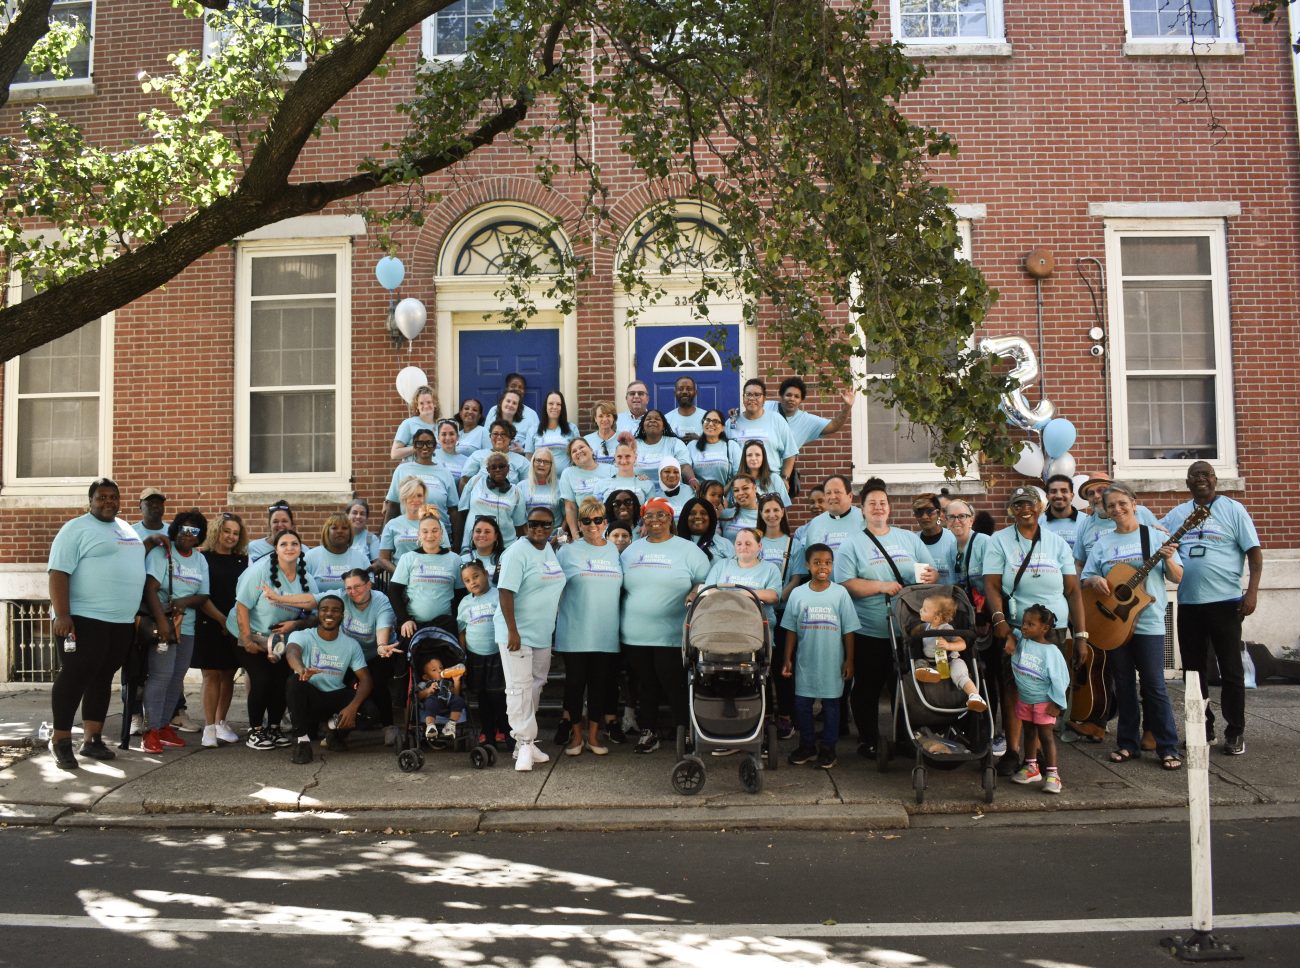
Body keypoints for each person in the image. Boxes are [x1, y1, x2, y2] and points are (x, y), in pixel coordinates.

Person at [984, 486, 1088, 777]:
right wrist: (999, 620)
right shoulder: (999, 541)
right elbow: (991, 585)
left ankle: (1042, 751)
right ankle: (1013, 750)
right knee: (1013, 689)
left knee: (1047, 689)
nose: (1024, 509)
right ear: (1011, 510)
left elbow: (1073, 591)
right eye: (1017, 505)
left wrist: (1080, 636)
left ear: (1041, 507)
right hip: (1016, 629)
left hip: (1052, 631)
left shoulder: (1057, 544)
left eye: (1029, 503)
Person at [1162, 461, 1263, 756]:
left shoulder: (1233, 510)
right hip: (1191, 603)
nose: (1201, 479)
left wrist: (1252, 593)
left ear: (1216, 479)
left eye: (1206, 474)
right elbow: (1155, 534)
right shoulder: (1178, 514)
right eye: (1195, 476)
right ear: (1187, 482)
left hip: (1226, 603)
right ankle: (1201, 729)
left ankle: (1235, 732)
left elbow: (1254, 555)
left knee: (1230, 670)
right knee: (1193, 672)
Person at [46, 479, 147, 769]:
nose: (108, 502)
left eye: (113, 497)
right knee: (75, 675)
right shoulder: (75, 529)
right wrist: (62, 614)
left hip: (120, 621)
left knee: (103, 677)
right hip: (82, 618)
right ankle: (61, 740)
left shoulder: (126, 529)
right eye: (101, 497)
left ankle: (92, 739)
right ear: (90, 500)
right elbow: (58, 573)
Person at [1082, 482, 1183, 770]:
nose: (1117, 509)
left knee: (1154, 686)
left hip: (1148, 623)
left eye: (1122, 503)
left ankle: (1167, 746)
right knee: (1123, 685)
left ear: (1134, 503)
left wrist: (1169, 561)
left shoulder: (1153, 538)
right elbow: (1086, 577)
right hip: (1113, 623)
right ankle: (1127, 743)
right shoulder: (1103, 542)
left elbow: (1177, 577)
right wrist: (1094, 581)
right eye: (1111, 505)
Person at [835, 477, 938, 757]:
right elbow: (845, 583)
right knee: (867, 687)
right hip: (869, 629)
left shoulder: (907, 538)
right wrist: (880, 586)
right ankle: (868, 739)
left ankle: (904, 737)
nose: (878, 508)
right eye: (872, 504)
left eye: (882, 503)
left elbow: (930, 571)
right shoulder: (851, 545)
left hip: (907, 628)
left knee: (902, 686)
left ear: (889, 508)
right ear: (863, 509)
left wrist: (931, 575)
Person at [620, 496, 710, 754]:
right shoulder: (631, 551)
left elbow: (704, 581)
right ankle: (649, 732)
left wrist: (694, 591)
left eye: (662, 515)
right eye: (650, 515)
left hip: (672, 635)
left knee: (675, 685)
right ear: (643, 520)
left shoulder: (688, 550)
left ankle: (686, 731)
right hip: (635, 635)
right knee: (646, 685)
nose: (655, 520)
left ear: (671, 519)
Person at [227, 528, 320, 750]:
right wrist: (247, 638)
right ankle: (255, 730)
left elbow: (314, 609)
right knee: (261, 679)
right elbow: (242, 606)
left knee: (281, 681)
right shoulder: (259, 571)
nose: (289, 548)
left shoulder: (305, 576)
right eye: (284, 544)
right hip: (248, 632)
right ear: (276, 549)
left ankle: (274, 727)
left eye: (294, 544)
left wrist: (296, 624)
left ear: (300, 549)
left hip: (279, 639)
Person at [496, 505, 568, 771]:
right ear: (526, 526)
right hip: (517, 633)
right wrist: (512, 630)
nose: (539, 529)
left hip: (542, 633)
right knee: (518, 688)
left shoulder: (548, 549)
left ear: (552, 527)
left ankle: (525, 743)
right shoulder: (517, 552)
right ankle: (524, 742)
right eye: (534, 524)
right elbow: (505, 592)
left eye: (545, 525)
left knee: (536, 685)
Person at [555, 496, 624, 755]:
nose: (593, 525)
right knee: (574, 686)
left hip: (605, 633)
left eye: (598, 520)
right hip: (574, 632)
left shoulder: (613, 551)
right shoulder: (567, 551)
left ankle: (594, 737)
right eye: (586, 520)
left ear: (605, 522)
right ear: (579, 524)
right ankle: (575, 737)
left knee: (599, 686)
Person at [140, 511, 212, 754]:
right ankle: (149, 731)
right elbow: (150, 589)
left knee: (176, 677)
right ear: (175, 529)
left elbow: (203, 595)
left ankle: (163, 727)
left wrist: (185, 601)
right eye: (183, 528)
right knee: (161, 676)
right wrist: (162, 623)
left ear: (200, 535)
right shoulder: (163, 553)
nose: (187, 534)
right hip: (163, 623)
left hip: (187, 626)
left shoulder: (200, 559)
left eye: (194, 531)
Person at [781, 543, 859, 769]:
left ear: (832, 565)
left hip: (832, 663)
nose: (822, 567)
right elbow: (791, 629)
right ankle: (807, 745)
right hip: (806, 662)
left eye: (827, 562)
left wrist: (850, 660)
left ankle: (828, 748)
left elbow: (849, 630)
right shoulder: (798, 593)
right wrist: (787, 658)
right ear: (807, 565)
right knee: (802, 706)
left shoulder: (840, 593)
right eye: (817, 563)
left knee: (832, 707)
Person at [284, 592, 372, 763]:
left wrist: (352, 707)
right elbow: (292, 652)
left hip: (335, 696)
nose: (329, 614)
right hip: (311, 698)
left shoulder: (351, 644)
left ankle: (333, 732)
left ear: (342, 615)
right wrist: (301, 669)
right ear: (318, 613)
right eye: (324, 609)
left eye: (335, 610)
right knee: (295, 682)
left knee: (370, 713)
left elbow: (366, 679)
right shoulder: (303, 635)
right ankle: (302, 742)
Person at [194, 512, 248, 748]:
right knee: (211, 674)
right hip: (209, 622)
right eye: (227, 531)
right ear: (217, 531)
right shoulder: (202, 558)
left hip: (234, 625)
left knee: (228, 674)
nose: (231, 536)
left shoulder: (243, 561)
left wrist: (234, 623)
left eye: (236, 533)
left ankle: (221, 723)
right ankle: (208, 727)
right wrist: (222, 620)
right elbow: (201, 594)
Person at [1005, 604, 1069, 793]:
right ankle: (1031, 768)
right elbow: (1011, 632)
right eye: (1024, 623)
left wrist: (1057, 703)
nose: (1025, 627)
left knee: (1046, 736)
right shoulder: (1022, 639)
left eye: (1031, 624)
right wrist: (1010, 639)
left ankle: (1053, 775)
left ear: (1044, 628)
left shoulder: (1052, 652)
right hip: (1025, 699)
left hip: (1045, 701)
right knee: (1029, 732)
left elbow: (1061, 679)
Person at [339, 568, 402, 746]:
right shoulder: (342, 596)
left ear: (368, 584)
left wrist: (382, 646)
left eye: (357, 586)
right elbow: (312, 600)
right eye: (349, 588)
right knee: (340, 681)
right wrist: (278, 598)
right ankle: (339, 727)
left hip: (378, 653)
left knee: (377, 682)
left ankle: (388, 726)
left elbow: (383, 625)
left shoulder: (380, 599)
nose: (352, 591)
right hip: (351, 654)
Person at [766, 378, 855, 495]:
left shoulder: (806, 420)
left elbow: (834, 425)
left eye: (797, 396)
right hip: (756, 470)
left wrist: (847, 407)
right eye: (788, 395)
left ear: (801, 400)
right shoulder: (766, 407)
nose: (792, 399)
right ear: (781, 396)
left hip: (780, 478)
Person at [390, 512, 463, 641]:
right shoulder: (408, 558)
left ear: (441, 534)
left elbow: (460, 595)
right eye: (425, 531)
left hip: (445, 625)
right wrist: (404, 620)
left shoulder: (455, 560)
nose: (430, 535)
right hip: (413, 625)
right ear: (419, 535)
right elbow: (394, 592)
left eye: (435, 531)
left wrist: (456, 621)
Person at [457, 559, 506, 748]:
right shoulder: (465, 603)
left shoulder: (498, 595)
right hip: (475, 655)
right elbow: (462, 630)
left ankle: (504, 729)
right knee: (483, 696)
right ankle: (487, 732)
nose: (473, 582)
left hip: (496, 653)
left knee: (498, 695)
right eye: (467, 580)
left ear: (486, 574)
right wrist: (463, 654)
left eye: (476, 576)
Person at [909, 593, 987, 712]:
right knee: (919, 663)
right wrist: (911, 634)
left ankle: (974, 696)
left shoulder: (947, 629)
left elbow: (962, 644)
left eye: (924, 610)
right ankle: (930, 673)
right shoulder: (926, 627)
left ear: (936, 618)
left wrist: (948, 645)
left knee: (960, 673)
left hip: (950, 661)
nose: (920, 610)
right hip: (930, 663)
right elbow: (915, 631)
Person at [383, 428, 460, 543]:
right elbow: (393, 506)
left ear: (434, 446)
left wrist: (457, 544)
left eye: (429, 443)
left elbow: (453, 510)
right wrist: (385, 537)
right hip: (407, 536)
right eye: (420, 443)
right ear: (414, 446)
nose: (425, 447)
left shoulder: (445, 472)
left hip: (438, 536)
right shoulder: (402, 470)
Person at [1073, 471, 1161, 569]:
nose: (1096, 496)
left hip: (1144, 579)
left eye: (1101, 490)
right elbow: (1079, 564)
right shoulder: (1085, 524)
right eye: (1091, 493)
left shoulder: (1140, 512)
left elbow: (1161, 544)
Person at [701, 527, 783, 630]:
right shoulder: (721, 565)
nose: (743, 547)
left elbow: (773, 596)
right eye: (739, 544)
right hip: (721, 625)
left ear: (759, 546)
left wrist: (736, 595)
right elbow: (708, 591)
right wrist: (748, 595)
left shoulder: (770, 568)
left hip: (757, 629)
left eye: (748, 544)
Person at [726, 378, 798, 485]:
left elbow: (790, 453)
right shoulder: (732, 422)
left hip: (770, 480)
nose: (752, 398)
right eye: (748, 394)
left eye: (757, 395)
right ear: (743, 397)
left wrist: (785, 478)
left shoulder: (776, 420)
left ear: (764, 399)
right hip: (740, 483)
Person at [458, 452, 527, 549]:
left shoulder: (516, 492)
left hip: (505, 546)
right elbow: (462, 512)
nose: (497, 470)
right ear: (487, 470)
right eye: (493, 467)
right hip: (475, 543)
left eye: (501, 466)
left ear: (508, 468)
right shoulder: (475, 481)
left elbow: (519, 525)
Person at [796, 475, 863, 560]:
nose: (832, 497)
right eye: (828, 493)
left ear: (850, 496)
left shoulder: (864, 518)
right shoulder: (815, 524)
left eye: (837, 492)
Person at [560, 437, 615, 537]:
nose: (578, 451)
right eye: (574, 451)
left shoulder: (611, 470)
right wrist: (575, 534)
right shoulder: (568, 474)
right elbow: (570, 508)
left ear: (591, 449)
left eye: (581, 447)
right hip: (586, 527)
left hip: (610, 525)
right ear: (572, 458)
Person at [305, 513, 372, 592]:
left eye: (344, 528)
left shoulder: (361, 558)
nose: (340, 531)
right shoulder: (310, 556)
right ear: (327, 532)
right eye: (334, 528)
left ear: (350, 533)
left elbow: (368, 590)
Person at [378, 477, 430, 576]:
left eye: (419, 495)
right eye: (411, 495)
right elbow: (383, 559)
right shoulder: (392, 525)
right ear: (404, 498)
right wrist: (401, 575)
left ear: (424, 498)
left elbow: (446, 553)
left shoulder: (435, 523)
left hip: (429, 579)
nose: (416, 499)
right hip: (401, 582)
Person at [460, 419, 533, 485]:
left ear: (510, 438)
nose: (499, 437)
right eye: (495, 434)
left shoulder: (522, 461)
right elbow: (465, 481)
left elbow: (527, 486)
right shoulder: (477, 455)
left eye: (503, 434)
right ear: (490, 436)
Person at [633, 409, 695, 486]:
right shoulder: (633, 444)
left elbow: (684, 466)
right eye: (648, 419)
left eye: (657, 419)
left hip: (670, 492)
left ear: (663, 426)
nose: (652, 421)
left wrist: (692, 480)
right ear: (642, 425)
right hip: (640, 491)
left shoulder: (675, 443)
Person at [417, 654, 468, 742]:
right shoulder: (424, 684)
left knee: (459, 700)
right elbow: (418, 696)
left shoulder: (448, 682)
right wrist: (428, 691)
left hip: (448, 703)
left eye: (441, 667)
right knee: (430, 702)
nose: (440, 671)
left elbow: (455, 694)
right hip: (434, 703)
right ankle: (430, 726)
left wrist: (456, 681)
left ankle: (451, 725)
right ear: (426, 676)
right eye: (434, 670)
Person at [532, 391, 581, 474]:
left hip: (565, 480)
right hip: (540, 481)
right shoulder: (533, 430)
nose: (555, 407)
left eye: (558, 404)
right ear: (545, 406)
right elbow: (529, 458)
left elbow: (578, 455)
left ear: (562, 407)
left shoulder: (572, 428)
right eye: (551, 403)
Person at [912, 493, 956, 585]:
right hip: (922, 597)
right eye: (919, 512)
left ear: (939, 513)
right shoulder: (912, 542)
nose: (924, 516)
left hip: (950, 597)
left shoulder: (953, 538)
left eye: (929, 511)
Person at [691, 409, 742, 486]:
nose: (711, 424)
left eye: (716, 421)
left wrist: (723, 493)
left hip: (725, 495)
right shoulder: (692, 446)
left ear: (722, 428)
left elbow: (738, 475)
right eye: (707, 420)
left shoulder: (732, 446)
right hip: (699, 496)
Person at [390, 384, 440, 461]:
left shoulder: (441, 426)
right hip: (413, 471)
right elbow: (394, 454)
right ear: (417, 406)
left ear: (435, 404)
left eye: (429, 402)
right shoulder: (408, 424)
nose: (426, 406)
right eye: (421, 403)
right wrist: (419, 447)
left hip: (435, 471)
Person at [520, 449, 563, 537]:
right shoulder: (521, 486)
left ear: (551, 465)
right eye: (538, 460)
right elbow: (520, 519)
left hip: (554, 537)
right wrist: (529, 537)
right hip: (530, 537)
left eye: (546, 462)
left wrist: (559, 536)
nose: (542, 464)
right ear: (532, 462)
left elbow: (567, 515)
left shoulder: (561, 485)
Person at [484, 372, 541, 437]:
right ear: (506, 388)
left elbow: (537, 439)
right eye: (513, 386)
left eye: (520, 387)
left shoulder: (532, 414)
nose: (517, 389)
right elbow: (486, 435)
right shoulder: (494, 410)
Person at [678, 496, 734, 561]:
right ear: (685, 518)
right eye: (692, 513)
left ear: (711, 518)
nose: (698, 516)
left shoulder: (725, 544)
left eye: (703, 513)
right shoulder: (676, 544)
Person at [739, 440, 790, 506]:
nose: (753, 458)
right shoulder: (739, 481)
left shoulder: (775, 478)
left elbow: (784, 507)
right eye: (749, 455)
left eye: (757, 455)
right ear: (745, 458)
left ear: (763, 457)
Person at [1041, 474, 1082, 556]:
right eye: (1053, 491)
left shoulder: (1086, 521)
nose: (1059, 496)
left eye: (1064, 491)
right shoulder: (1038, 523)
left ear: (1072, 495)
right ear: (1047, 497)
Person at [488, 388, 537, 454]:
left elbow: (536, 448)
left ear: (518, 407)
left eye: (514, 403)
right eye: (508, 401)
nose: (510, 405)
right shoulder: (492, 415)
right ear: (501, 402)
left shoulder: (527, 422)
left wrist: (522, 451)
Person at [247, 500, 294, 564]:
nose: (280, 525)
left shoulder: (302, 550)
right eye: (275, 521)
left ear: (292, 524)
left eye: (284, 521)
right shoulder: (253, 547)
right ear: (269, 525)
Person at [462, 516, 505, 585]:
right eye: (478, 531)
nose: (482, 535)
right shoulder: (462, 559)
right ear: (473, 534)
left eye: (487, 532)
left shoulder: (505, 557)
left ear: (496, 536)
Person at [720, 473, 760, 541]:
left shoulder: (765, 514)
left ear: (755, 488)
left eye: (745, 488)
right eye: (736, 490)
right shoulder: (725, 514)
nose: (740, 493)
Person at [346, 499, 382, 569]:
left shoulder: (370, 538)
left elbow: (378, 564)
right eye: (354, 513)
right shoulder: (340, 536)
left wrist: (364, 572)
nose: (358, 516)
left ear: (367, 518)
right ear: (347, 515)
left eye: (362, 514)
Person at [666, 375, 704, 441]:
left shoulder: (706, 417)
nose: (684, 392)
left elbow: (716, 442)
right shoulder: (666, 419)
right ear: (675, 393)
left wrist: (700, 440)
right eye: (680, 389)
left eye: (689, 389)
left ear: (695, 393)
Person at [433, 418, 470, 484]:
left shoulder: (466, 461)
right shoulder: (432, 456)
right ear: (438, 437)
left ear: (458, 437)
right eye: (444, 434)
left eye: (451, 434)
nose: (448, 438)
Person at [584, 400, 620, 465]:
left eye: (608, 415)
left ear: (613, 418)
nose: (605, 419)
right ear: (595, 418)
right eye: (601, 416)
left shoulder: (622, 439)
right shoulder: (586, 440)